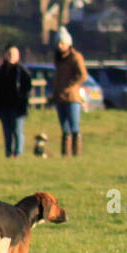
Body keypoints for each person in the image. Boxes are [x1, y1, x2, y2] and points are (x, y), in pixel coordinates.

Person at [51, 26, 89, 156]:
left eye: (62, 43)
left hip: (72, 97)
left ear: (68, 43)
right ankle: (65, 153)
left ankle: (76, 153)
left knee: (74, 126)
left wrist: (71, 85)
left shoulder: (76, 57)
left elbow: (83, 75)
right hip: (59, 97)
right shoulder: (58, 58)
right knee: (64, 127)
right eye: (58, 43)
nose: (60, 46)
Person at [0, 46, 32, 158]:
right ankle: (8, 153)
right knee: (7, 131)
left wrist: (23, 101)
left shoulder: (22, 72)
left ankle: (18, 153)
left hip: (17, 107)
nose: (11, 56)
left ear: (18, 56)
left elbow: (27, 88)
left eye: (14, 54)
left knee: (17, 130)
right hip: (4, 106)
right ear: (5, 55)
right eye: (9, 53)